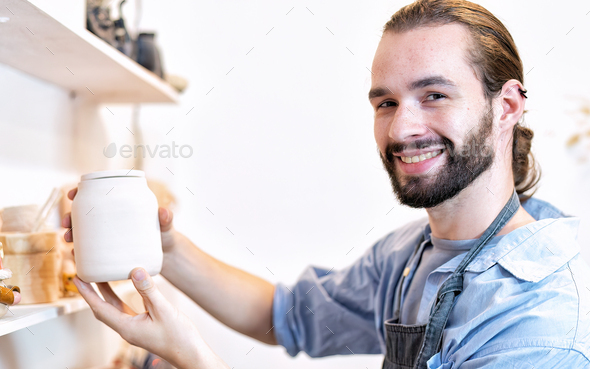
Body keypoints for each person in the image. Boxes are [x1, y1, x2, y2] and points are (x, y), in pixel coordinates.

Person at [62, 0, 590, 368]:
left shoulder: (540, 320)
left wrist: (193, 356)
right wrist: (164, 247)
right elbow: (284, 315)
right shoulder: (412, 255)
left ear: (508, 108)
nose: (402, 128)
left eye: (434, 95)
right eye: (386, 102)